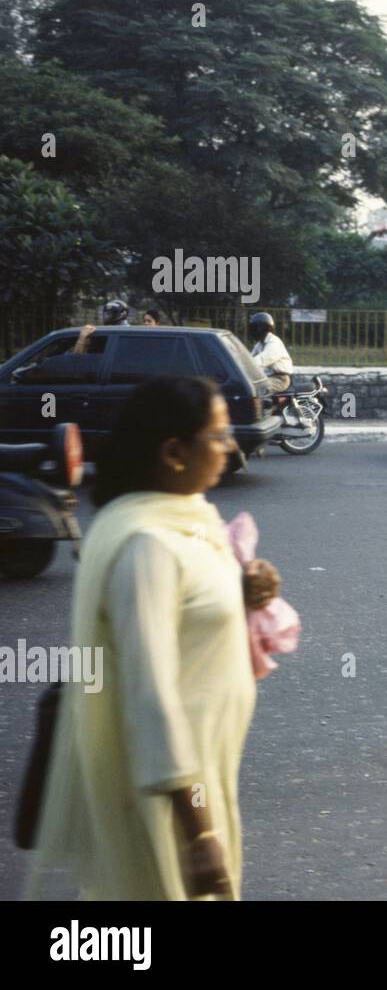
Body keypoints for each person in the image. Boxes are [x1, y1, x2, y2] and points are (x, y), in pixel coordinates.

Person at [27, 376, 280, 900]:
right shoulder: (147, 545)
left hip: (206, 774)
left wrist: (247, 588)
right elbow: (151, 697)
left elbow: (197, 612)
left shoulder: (190, 519)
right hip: (167, 797)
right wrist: (199, 833)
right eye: (218, 434)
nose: (231, 446)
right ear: (174, 451)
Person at [249, 312, 293, 395]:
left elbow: (262, 360)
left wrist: (245, 366)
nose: (252, 331)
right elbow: (250, 358)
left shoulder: (274, 343)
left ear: (262, 328)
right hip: (268, 377)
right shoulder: (260, 343)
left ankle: (263, 408)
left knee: (256, 390)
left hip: (280, 379)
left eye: (255, 328)